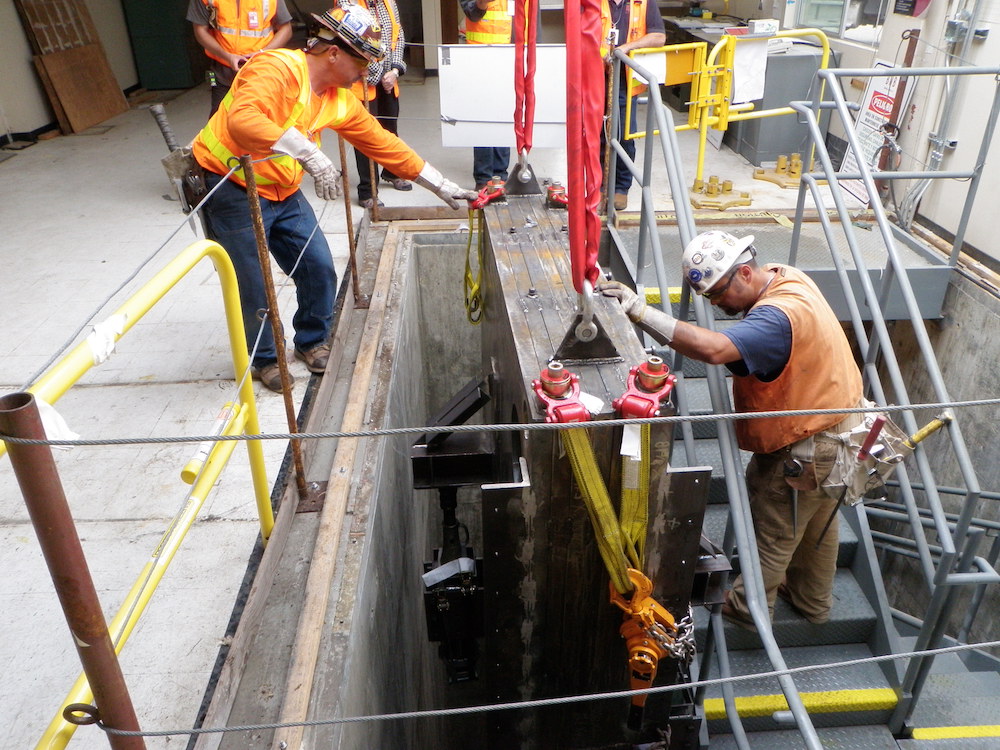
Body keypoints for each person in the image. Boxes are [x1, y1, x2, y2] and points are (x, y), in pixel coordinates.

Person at [192, 4, 477, 392]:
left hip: (282, 188)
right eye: (361, 63)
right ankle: (266, 359)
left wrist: (439, 184)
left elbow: (382, 143)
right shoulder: (274, 68)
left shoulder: (337, 98)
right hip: (231, 188)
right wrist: (308, 153)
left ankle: (311, 340)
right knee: (254, 282)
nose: (365, 73)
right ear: (333, 52)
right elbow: (243, 121)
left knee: (319, 267)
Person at [600, 231, 864, 626]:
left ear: (744, 272)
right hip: (842, 430)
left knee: (775, 531)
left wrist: (640, 311)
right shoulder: (786, 276)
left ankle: (747, 610)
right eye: (707, 296)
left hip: (804, 444)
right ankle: (813, 602)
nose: (715, 303)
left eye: (718, 293)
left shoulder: (775, 318)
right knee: (817, 526)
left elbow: (714, 349)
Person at [343, 0, 411, 209]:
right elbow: (352, 41)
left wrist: (395, 71)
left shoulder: (388, 1)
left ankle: (392, 171)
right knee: (366, 137)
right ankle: (368, 190)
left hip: (388, 79)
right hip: (363, 81)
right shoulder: (347, 3)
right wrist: (380, 74)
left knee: (390, 129)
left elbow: (398, 35)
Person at [599, 0, 665, 211]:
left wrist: (626, 48)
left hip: (625, 80)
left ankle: (621, 187)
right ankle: (598, 186)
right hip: (595, 77)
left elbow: (659, 37)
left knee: (624, 136)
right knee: (596, 134)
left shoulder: (643, 3)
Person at [187, 0, 294, 115]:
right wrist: (228, 57)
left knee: (262, 118)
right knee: (219, 120)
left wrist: (261, 53)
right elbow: (200, 31)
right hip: (224, 74)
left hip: (262, 71)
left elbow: (286, 30)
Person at [459, 0, 512, 190]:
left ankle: (500, 175)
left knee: (503, 114)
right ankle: (483, 178)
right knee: (482, 114)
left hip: (508, 55)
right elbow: (472, 12)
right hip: (479, 56)